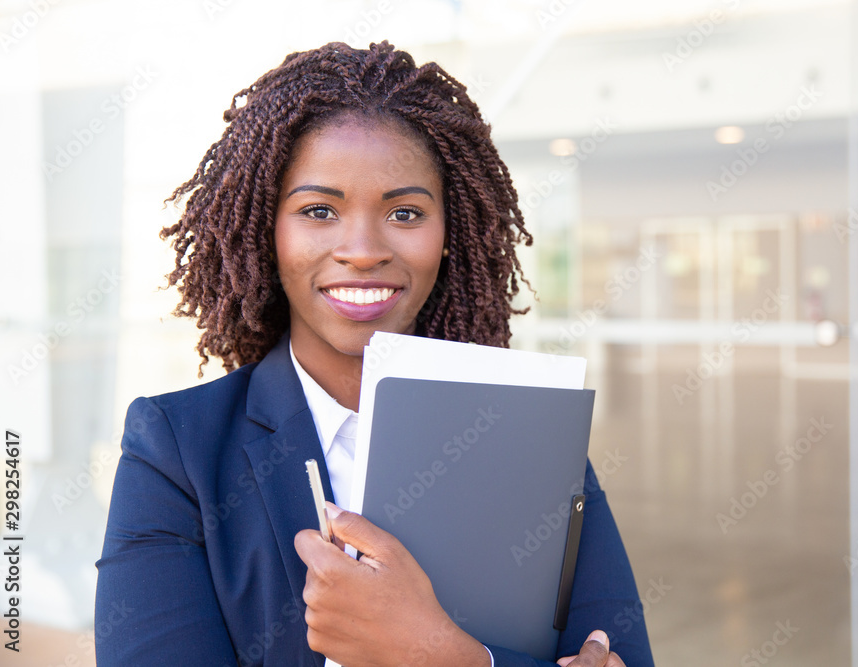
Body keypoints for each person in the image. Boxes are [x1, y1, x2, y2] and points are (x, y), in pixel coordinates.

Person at [95, 41, 653, 667]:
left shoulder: (538, 438)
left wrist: (438, 654)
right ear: (266, 231)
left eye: (405, 212)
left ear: (450, 236)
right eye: (319, 210)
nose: (362, 249)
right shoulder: (177, 452)